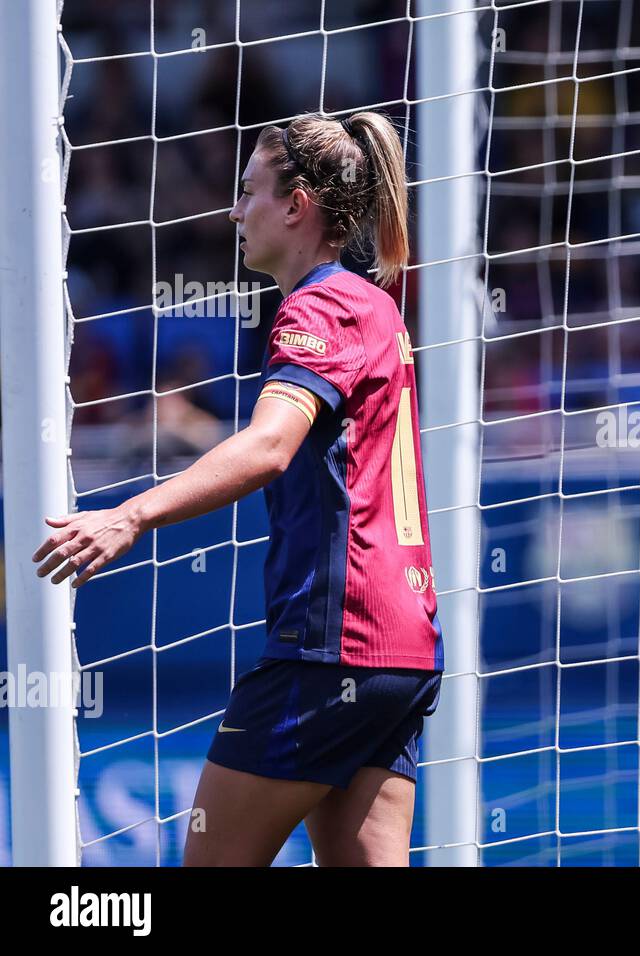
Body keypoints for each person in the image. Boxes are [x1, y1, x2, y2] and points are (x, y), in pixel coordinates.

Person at [34, 111, 443, 867]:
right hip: (402, 649)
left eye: (250, 191)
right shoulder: (375, 305)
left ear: (297, 206)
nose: (234, 211)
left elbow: (269, 445)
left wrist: (131, 514)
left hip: (332, 647)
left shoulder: (320, 305)